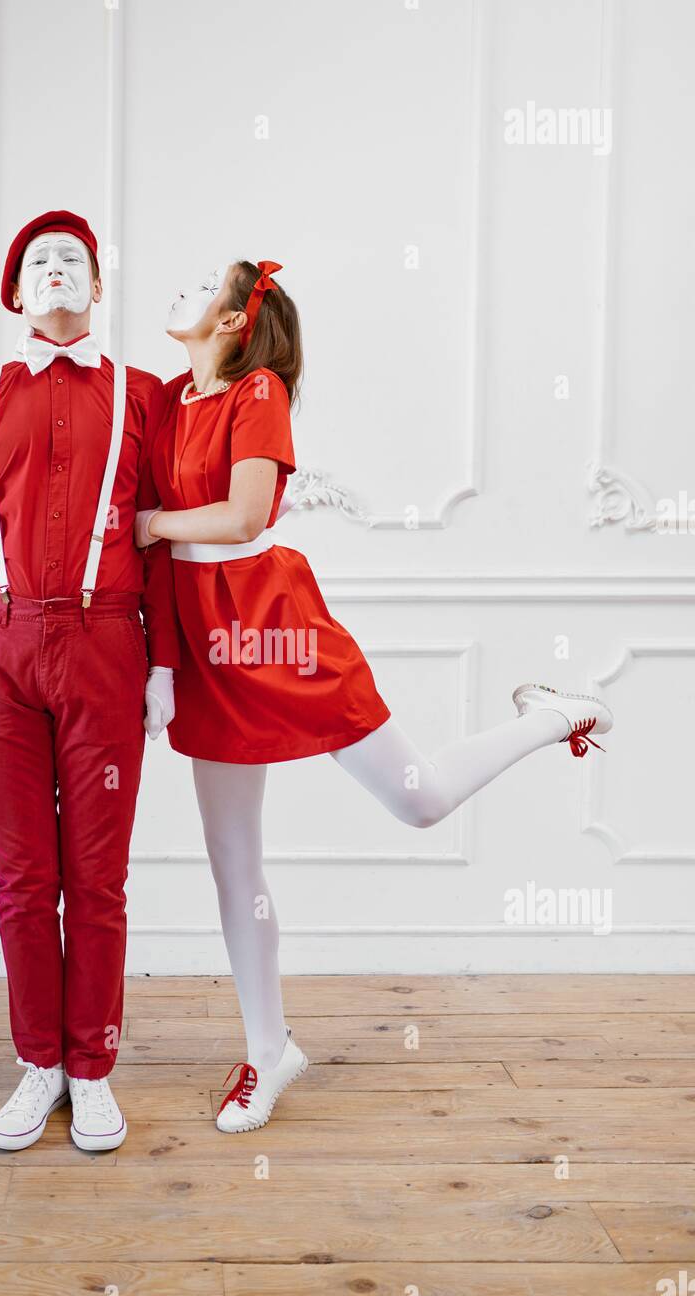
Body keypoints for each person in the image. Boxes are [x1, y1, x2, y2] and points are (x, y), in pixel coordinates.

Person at [136, 259, 613, 1133]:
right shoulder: (167, 399)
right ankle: (268, 1049)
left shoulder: (258, 393)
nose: (182, 285)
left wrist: (151, 524)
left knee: (419, 800)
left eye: (206, 283)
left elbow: (243, 516)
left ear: (235, 320)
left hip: (271, 623)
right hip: (205, 638)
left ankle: (553, 715)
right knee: (232, 857)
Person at [0, 210, 180, 1152]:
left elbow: (160, 537)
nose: (58, 269)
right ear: (17, 292)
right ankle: (41, 1064)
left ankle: (94, 1068)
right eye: (41, 260)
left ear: (98, 287)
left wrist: (164, 663)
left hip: (107, 645)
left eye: (75, 258)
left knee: (98, 879)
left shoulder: (142, 395)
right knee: (24, 880)